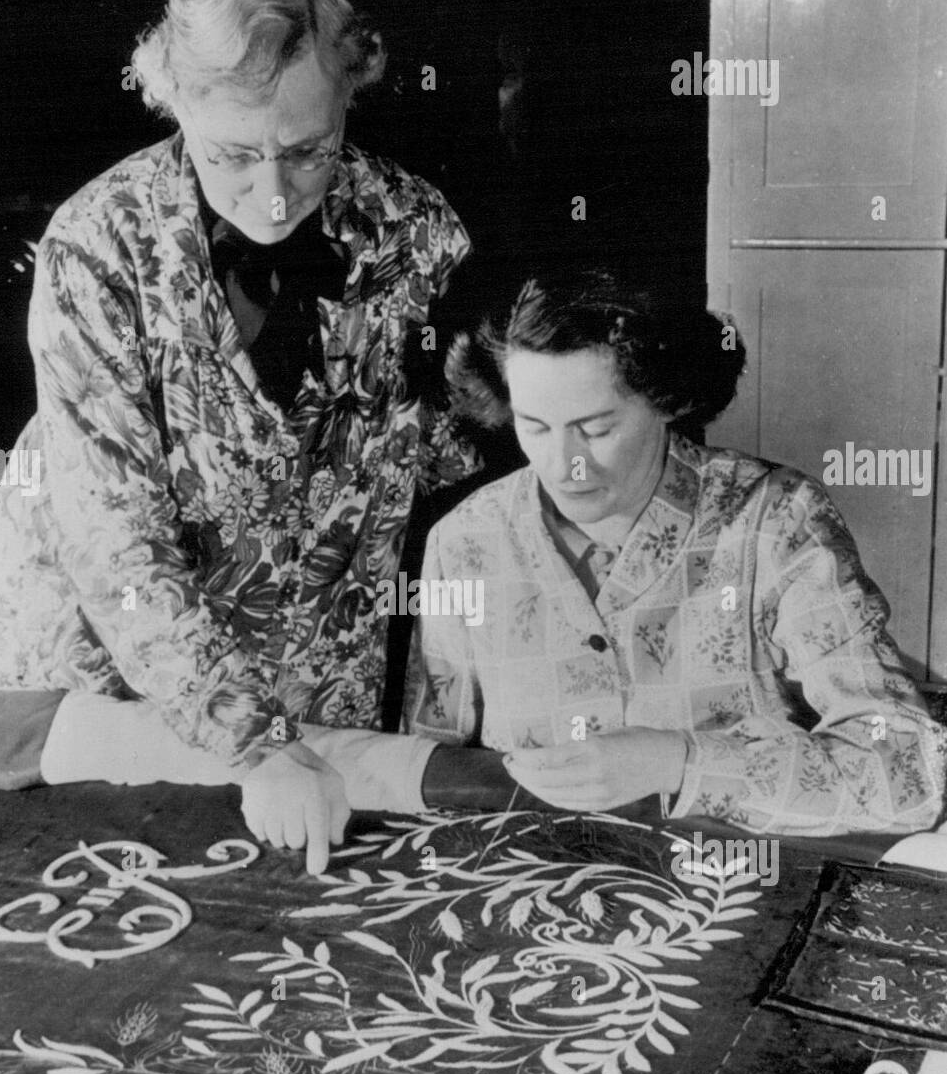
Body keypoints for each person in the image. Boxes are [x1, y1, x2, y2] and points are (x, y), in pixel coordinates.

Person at [0, 0, 480, 874]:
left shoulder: (416, 228)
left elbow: (416, 454)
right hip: (102, 658)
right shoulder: (96, 244)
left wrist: (492, 414)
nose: (273, 192)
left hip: (312, 659)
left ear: (351, 92)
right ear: (175, 104)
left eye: (307, 149)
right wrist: (256, 745)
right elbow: (112, 541)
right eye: (233, 154)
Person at [402, 271, 947, 837]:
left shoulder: (775, 520)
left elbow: (910, 770)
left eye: (595, 428)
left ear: (667, 400)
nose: (565, 466)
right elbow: (428, 771)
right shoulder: (464, 542)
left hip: (735, 891)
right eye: (534, 426)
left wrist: (677, 761)